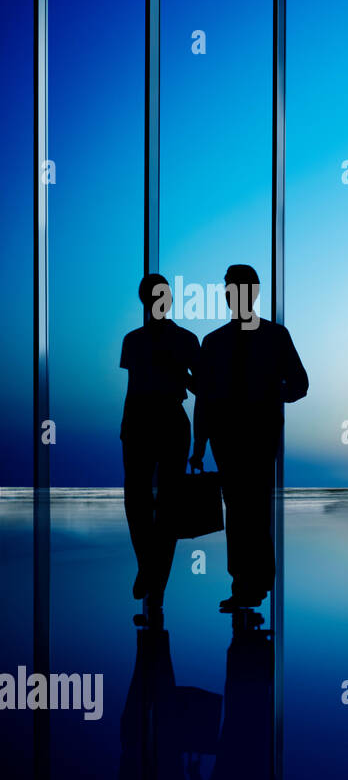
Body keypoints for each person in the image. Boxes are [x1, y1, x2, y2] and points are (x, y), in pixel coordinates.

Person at [190, 264, 308, 611]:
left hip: (252, 432)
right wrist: (199, 444)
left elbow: (299, 384)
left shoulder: (257, 338)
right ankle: (249, 578)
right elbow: (205, 399)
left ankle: (248, 579)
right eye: (230, 289)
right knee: (246, 506)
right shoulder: (223, 341)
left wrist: (272, 392)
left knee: (247, 506)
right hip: (239, 434)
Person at [120, 274, 200, 620]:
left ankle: (154, 580)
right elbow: (133, 385)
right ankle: (151, 574)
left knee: (160, 502)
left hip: (162, 417)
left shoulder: (181, 339)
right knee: (142, 499)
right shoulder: (136, 340)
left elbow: (202, 385)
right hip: (147, 418)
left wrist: (177, 374)